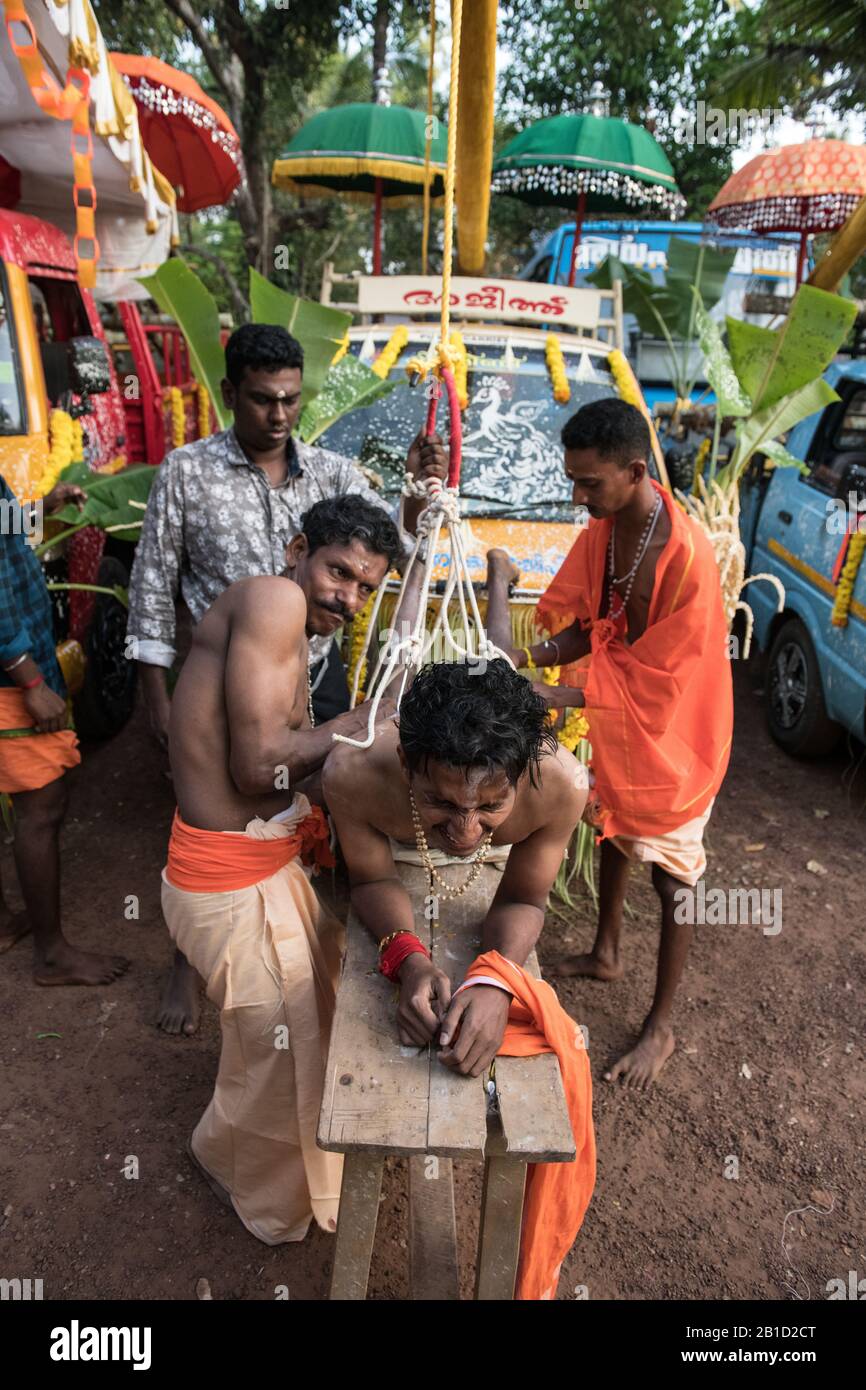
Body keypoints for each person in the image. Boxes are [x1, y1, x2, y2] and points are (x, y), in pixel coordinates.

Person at [127, 322, 447, 1034]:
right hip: (227, 688)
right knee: (246, 779)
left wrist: (420, 496)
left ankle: (274, 903)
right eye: (263, 399)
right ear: (230, 394)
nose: (278, 413)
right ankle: (197, 957)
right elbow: (152, 586)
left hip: (305, 669)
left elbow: (379, 547)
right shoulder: (192, 478)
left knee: (292, 792)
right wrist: (158, 697)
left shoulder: (331, 476)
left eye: (291, 400)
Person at [160, 494, 404, 1243]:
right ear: (299, 547)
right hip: (225, 881)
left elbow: (282, 769)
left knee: (299, 1028)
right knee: (282, 1052)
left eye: (369, 588)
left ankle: (219, 1148)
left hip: (255, 869)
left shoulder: (289, 620)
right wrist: (363, 720)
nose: (351, 597)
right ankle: (264, 1201)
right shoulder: (272, 599)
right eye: (340, 572)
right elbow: (261, 764)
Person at [322, 659, 595, 1299]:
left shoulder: (560, 785)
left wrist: (494, 979)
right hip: (397, 847)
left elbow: (524, 898)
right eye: (441, 803)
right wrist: (408, 959)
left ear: (524, 777)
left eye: (491, 807)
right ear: (407, 761)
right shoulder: (354, 774)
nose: (467, 832)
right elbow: (371, 880)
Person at [485, 397, 733, 1089]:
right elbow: (594, 628)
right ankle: (607, 951)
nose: (577, 495)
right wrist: (529, 658)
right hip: (625, 721)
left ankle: (661, 1027)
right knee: (610, 828)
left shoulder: (687, 556)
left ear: (633, 469)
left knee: (673, 872)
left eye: (589, 482)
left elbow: (668, 679)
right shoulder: (606, 525)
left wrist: (562, 696)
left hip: (682, 732)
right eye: (573, 479)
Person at [0, 474, 128, 985]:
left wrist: (40, 508)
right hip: (11, 675)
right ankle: (51, 955)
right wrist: (29, 676)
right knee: (41, 807)